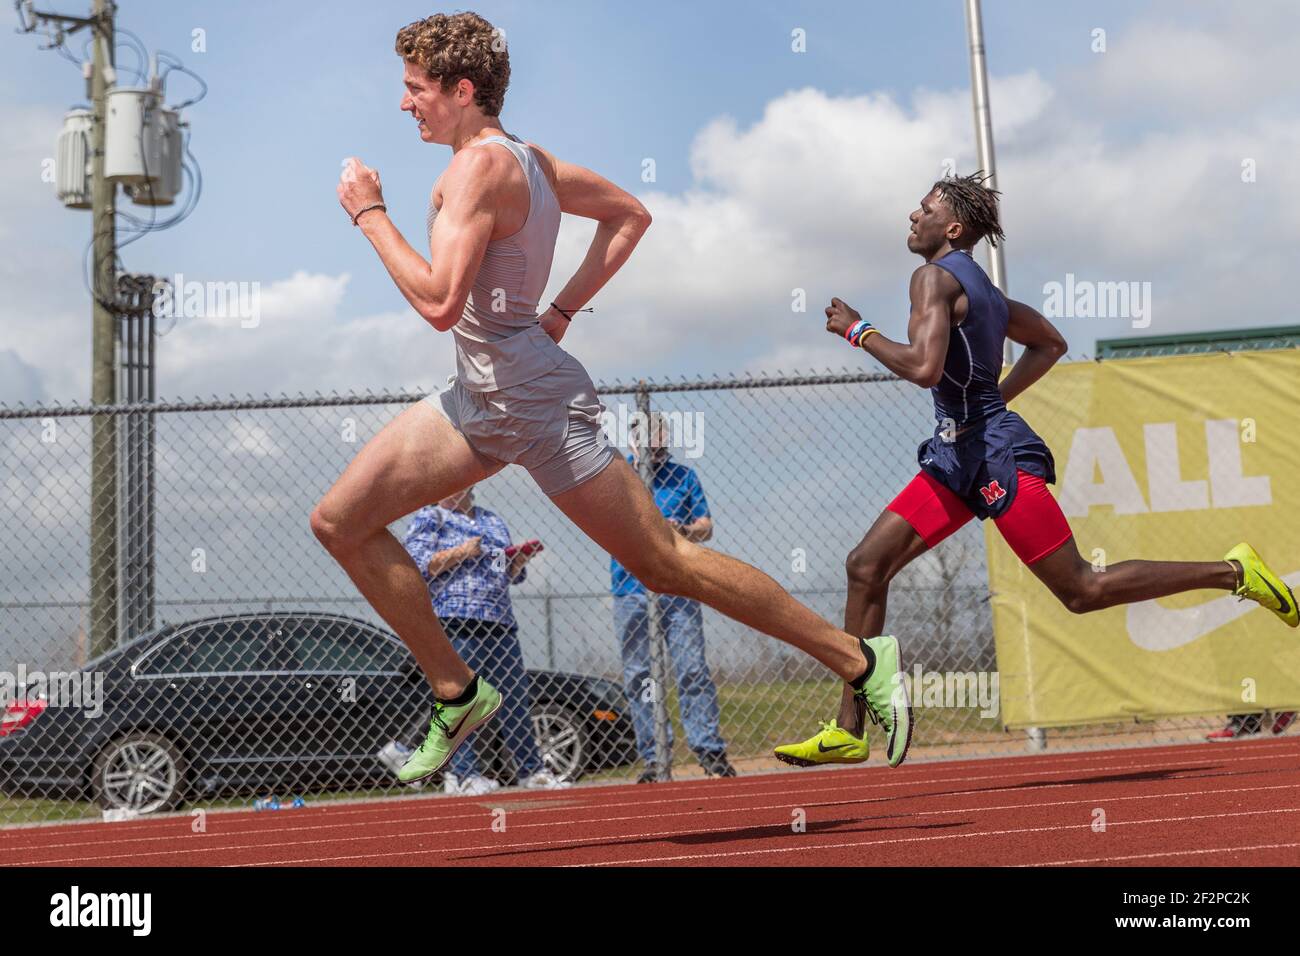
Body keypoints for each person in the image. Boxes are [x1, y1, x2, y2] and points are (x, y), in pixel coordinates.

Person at [311, 11, 906, 786]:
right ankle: (457, 690)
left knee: (663, 562)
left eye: (415, 89)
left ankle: (858, 658)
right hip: (479, 400)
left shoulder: (481, 170)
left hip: (531, 400)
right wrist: (558, 312)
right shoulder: (533, 162)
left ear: (461, 90)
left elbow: (438, 303)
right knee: (340, 522)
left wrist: (368, 213)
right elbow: (632, 214)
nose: (403, 104)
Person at [774, 172, 1298, 767]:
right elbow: (1050, 343)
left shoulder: (932, 278)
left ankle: (1235, 572)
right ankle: (850, 727)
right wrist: (995, 396)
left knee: (1081, 588)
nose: (910, 217)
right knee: (866, 566)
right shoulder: (987, 291)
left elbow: (923, 367)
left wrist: (857, 331)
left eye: (922, 210)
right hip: (956, 457)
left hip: (993, 455)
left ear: (952, 228)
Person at [402, 485, 566, 793]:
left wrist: (516, 562)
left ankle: (531, 771)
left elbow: (508, 574)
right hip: (455, 621)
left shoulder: (491, 520)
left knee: (514, 700)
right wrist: (461, 552)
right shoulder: (430, 517)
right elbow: (417, 568)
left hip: (499, 622)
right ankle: (465, 775)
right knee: (462, 701)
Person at [612, 414, 735, 782]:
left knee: (692, 668)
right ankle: (655, 757)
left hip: (679, 588)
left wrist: (682, 531)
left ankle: (709, 751)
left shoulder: (684, 476)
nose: (660, 440)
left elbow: (706, 526)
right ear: (636, 440)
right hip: (630, 589)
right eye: (652, 434)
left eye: (663, 433)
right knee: (639, 676)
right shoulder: (619, 475)